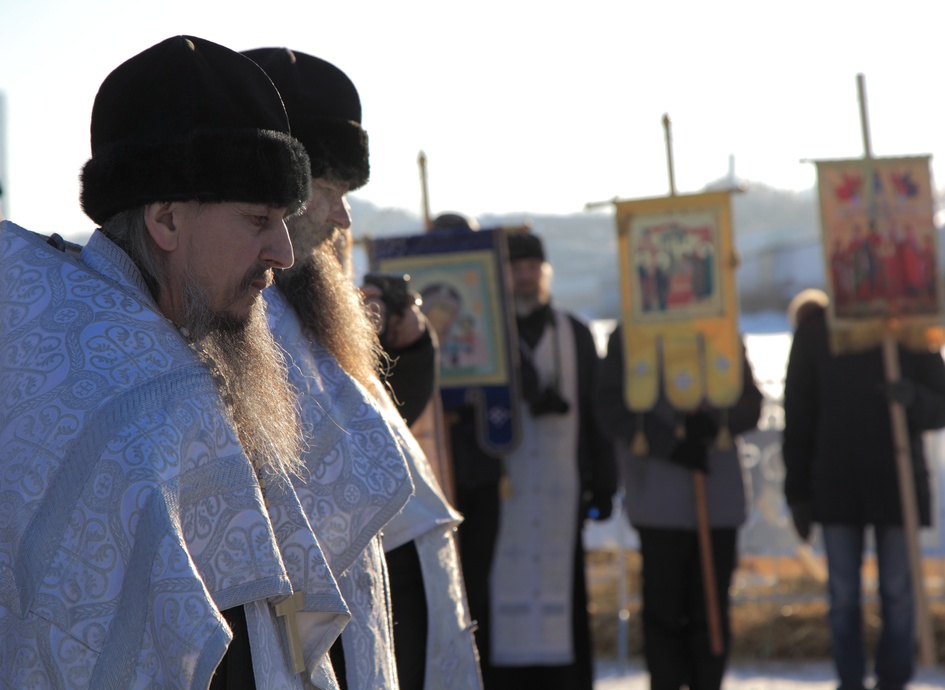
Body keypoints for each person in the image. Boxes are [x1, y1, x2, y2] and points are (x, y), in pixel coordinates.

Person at [0, 36, 351, 689]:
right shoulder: (138, 393)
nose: (282, 251)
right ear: (165, 220)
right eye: (258, 220)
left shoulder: (172, 339)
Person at [242, 47, 482, 690]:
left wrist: (409, 351)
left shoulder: (309, 292)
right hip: (318, 613)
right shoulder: (239, 311)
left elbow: (370, 434)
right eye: (328, 191)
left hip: (381, 581)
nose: (343, 216)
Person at [448, 228, 617, 689]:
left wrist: (604, 482)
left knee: (564, 592)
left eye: (532, 269)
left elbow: (597, 415)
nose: (525, 278)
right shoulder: (483, 337)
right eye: (516, 269)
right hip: (502, 490)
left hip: (562, 488)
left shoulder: (576, 333)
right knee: (499, 590)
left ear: (546, 273)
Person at [782, 288, 945, 690]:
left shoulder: (905, 327)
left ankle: (893, 678)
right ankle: (849, 680)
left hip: (897, 482)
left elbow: (941, 403)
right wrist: (798, 491)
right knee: (843, 595)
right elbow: (799, 413)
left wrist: (914, 399)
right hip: (836, 482)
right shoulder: (818, 331)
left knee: (898, 591)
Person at [596, 324, 762, 690]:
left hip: (717, 502)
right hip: (658, 502)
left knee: (711, 613)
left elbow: (750, 404)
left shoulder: (719, 325)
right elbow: (611, 408)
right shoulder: (632, 332)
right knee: (663, 614)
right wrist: (670, 443)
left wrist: (714, 423)